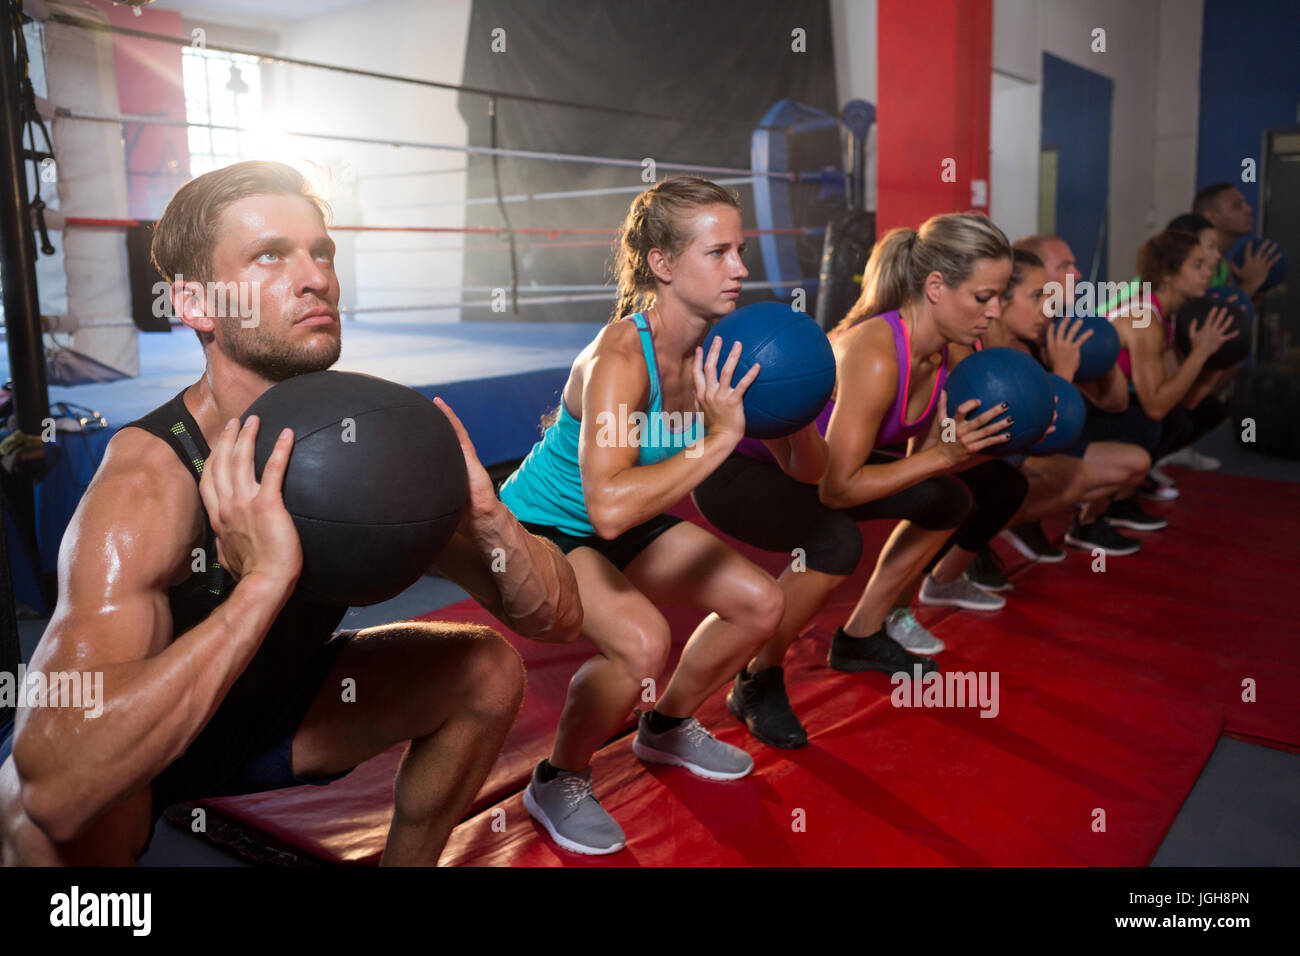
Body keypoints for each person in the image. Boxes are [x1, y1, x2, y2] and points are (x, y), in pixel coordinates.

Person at [0, 161, 583, 866]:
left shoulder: (371, 447)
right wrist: (263, 583)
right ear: (196, 305)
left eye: (322, 251)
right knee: (49, 830)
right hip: (143, 742)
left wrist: (493, 527)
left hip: (273, 715)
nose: (316, 278)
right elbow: (57, 783)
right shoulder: (150, 482)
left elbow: (555, 619)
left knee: (487, 671)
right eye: (270, 255)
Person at [497, 176, 786, 855]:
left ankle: (667, 726)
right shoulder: (622, 357)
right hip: (547, 524)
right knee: (642, 642)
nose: (741, 269)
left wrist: (792, 418)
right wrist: (718, 439)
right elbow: (607, 506)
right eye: (718, 253)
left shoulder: (725, 345)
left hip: (626, 517)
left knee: (760, 603)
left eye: (740, 250)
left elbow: (811, 470)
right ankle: (557, 778)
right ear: (662, 264)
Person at [692, 218, 1027, 749]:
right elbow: (838, 492)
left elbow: (928, 463)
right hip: (740, 468)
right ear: (936, 287)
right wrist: (943, 455)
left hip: (818, 469)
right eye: (983, 296)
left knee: (948, 500)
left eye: (999, 296)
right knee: (835, 541)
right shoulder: (874, 353)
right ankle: (757, 679)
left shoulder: (957, 350)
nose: (994, 311)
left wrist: (976, 445)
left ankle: (861, 635)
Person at [955, 250, 1156, 560]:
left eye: (1049, 297)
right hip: (988, 460)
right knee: (1069, 476)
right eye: (1037, 297)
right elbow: (1036, 430)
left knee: (1130, 459)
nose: (1047, 309)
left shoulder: (1043, 339)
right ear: (1001, 300)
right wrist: (1064, 371)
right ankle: (967, 546)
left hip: (1022, 455)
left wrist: (1106, 351)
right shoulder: (972, 348)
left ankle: (998, 531)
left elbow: (1116, 403)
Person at [1090, 229, 1238, 496]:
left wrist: (1221, 355)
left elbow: (1185, 399)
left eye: (1206, 265)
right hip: (1082, 412)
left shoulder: (1166, 318)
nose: (1208, 272)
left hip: (1109, 404)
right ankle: (1105, 494)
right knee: (1150, 423)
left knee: (1182, 418)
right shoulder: (1145, 318)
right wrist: (1200, 353)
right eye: (1197, 265)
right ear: (1168, 275)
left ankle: (1129, 486)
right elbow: (1156, 406)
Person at [1192, 183, 1282, 295]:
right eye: (1237, 206)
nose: (1248, 209)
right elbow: (1212, 311)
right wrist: (1250, 283)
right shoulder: (1197, 263)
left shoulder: (1223, 266)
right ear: (1212, 217)